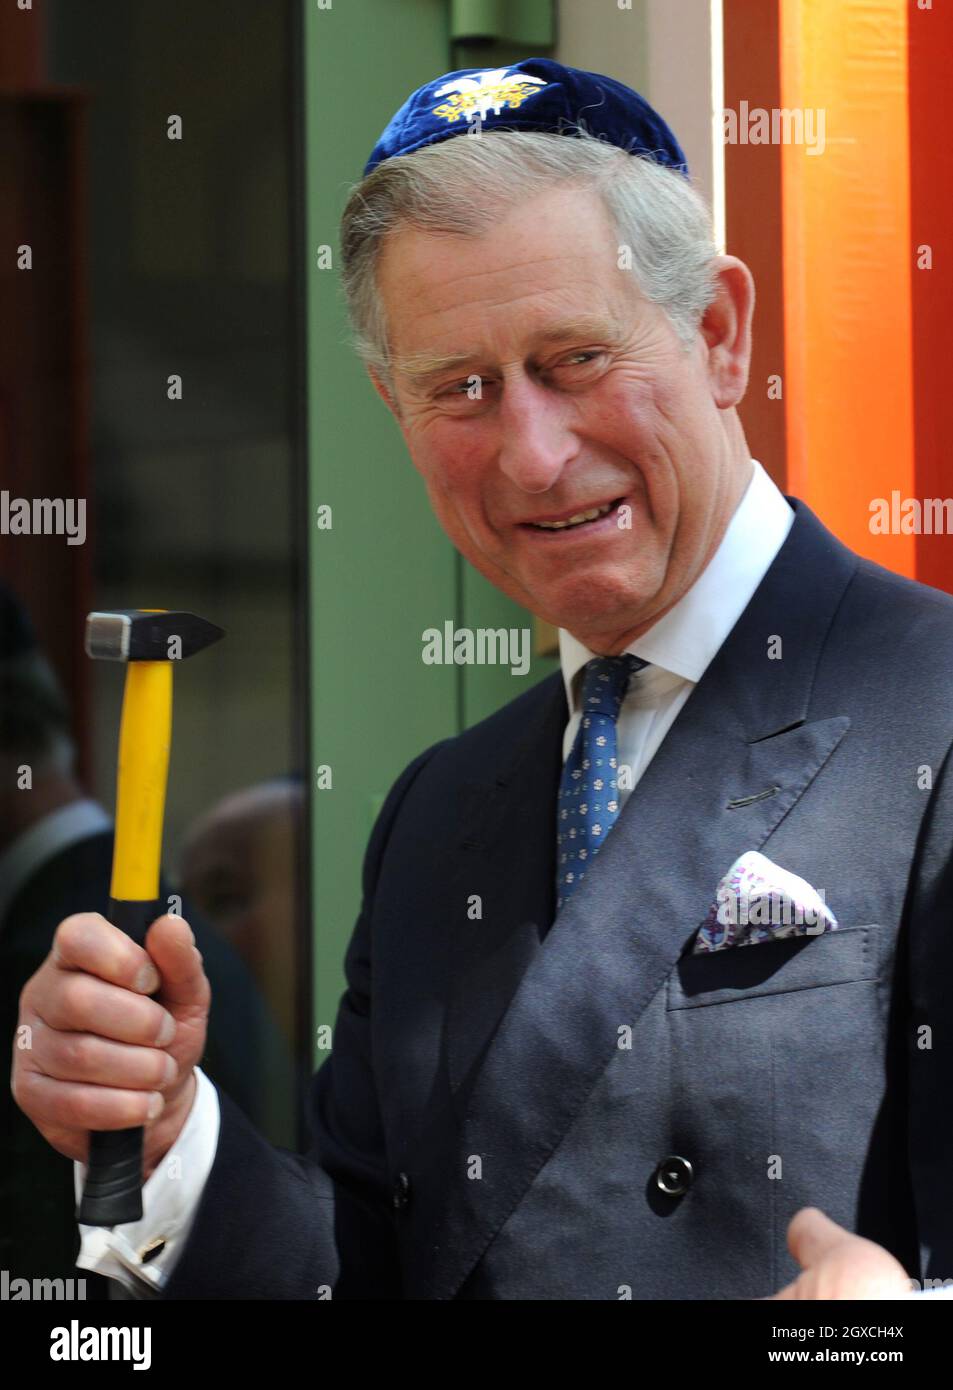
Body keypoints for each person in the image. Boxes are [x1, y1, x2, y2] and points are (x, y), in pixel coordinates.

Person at [12, 59, 953, 1300]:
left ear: (720, 335)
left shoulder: (926, 706)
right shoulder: (437, 809)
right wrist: (169, 1137)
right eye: (458, 387)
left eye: (573, 358)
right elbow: (368, 1272)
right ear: (387, 405)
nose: (532, 453)